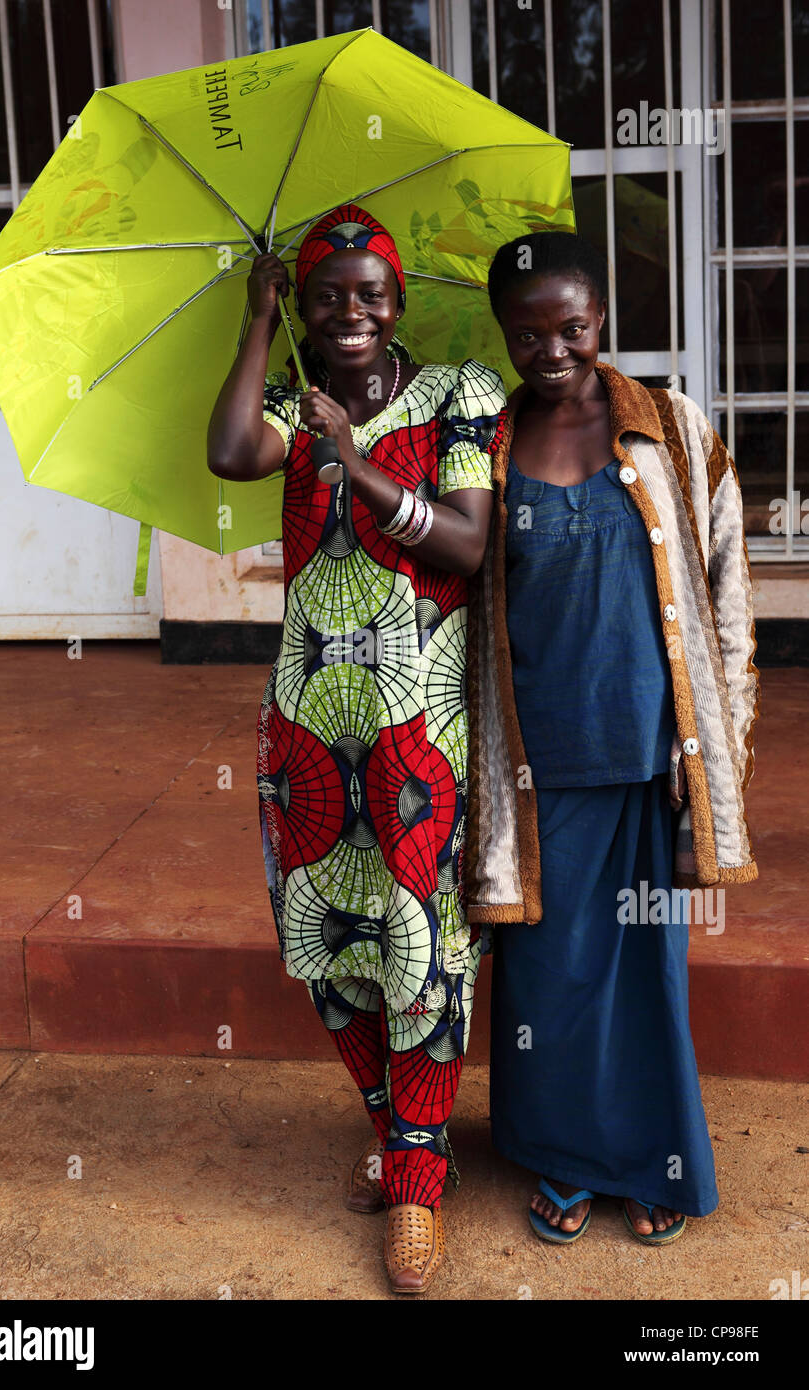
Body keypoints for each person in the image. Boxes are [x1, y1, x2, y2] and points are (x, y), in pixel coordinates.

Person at [206, 203, 504, 1292]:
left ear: (398, 303)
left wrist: (357, 462)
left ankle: (418, 1183)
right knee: (330, 945)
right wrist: (257, 315)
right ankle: (397, 1141)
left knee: (422, 944)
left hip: (416, 722)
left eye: (366, 294)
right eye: (325, 296)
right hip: (306, 724)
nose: (347, 314)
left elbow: (467, 545)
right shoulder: (291, 398)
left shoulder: (459, 394)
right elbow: (231, 450)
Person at [462, 230, 760, 1245]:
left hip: (647, 754)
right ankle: (558, 1158)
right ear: (504, 333)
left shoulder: (669, 428)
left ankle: (652, 1161)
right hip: (536, 762)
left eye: (571, 326)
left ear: (601, 320)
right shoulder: (488, 445)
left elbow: (723, 591)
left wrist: (723, 759)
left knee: (641, 970)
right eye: (528, 331)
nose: (552, 348)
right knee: (547, 971)